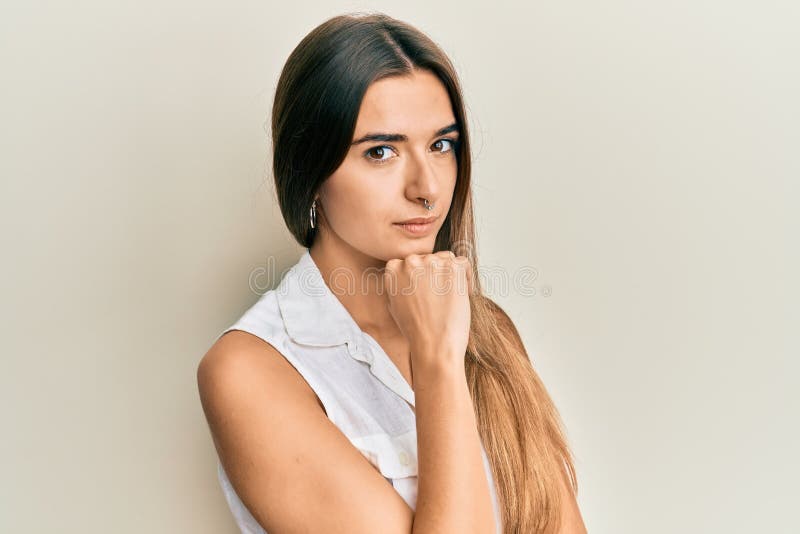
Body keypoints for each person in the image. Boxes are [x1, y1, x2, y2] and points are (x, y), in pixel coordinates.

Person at [197, 12, 587, 534]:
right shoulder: (251, 370)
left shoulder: (488, 328)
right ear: (311, 173)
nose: (426, 187)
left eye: (441, 145)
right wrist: (436, 361)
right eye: (381, 152)